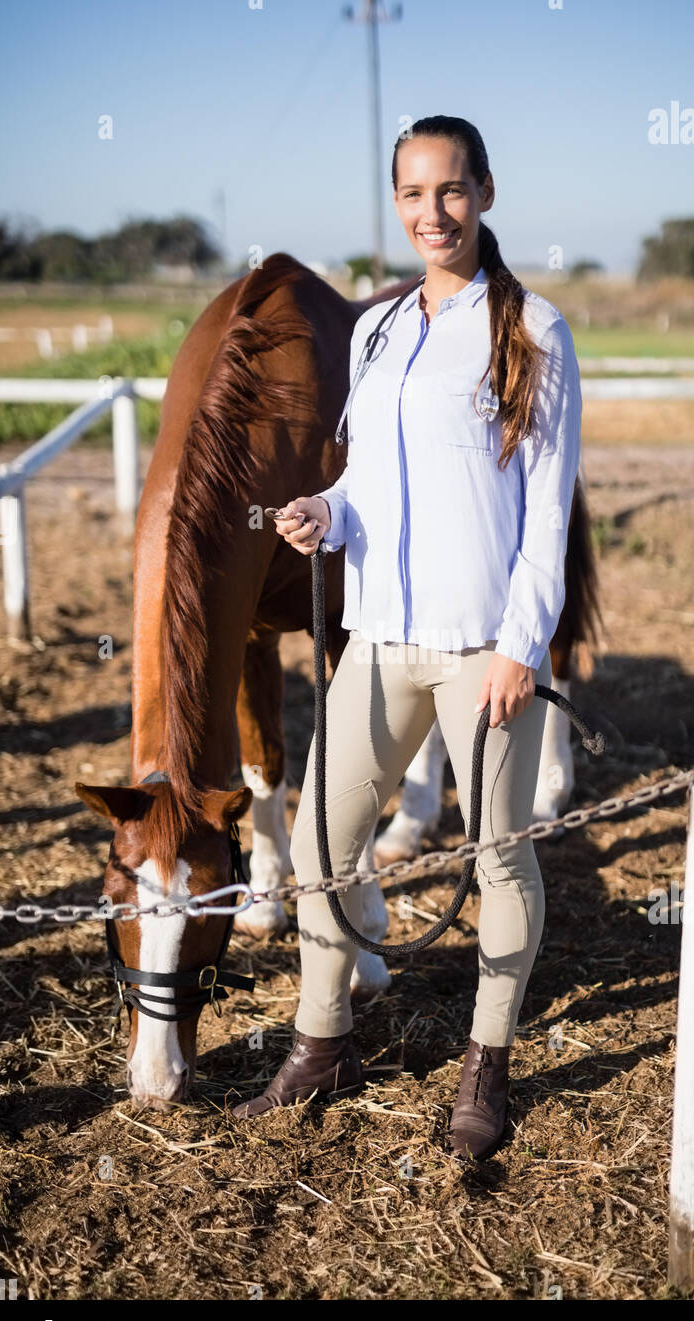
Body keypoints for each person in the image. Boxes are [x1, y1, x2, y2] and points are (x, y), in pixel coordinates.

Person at [232, 115, 583, 1162]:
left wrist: (522, 645)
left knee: (498, 857)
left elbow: (549, 511)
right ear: (395, 204)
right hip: (378, 636)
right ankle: (324, 1037)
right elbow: (364, 483)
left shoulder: (532, 330)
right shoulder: (379, 331)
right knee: (318, 844)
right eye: (412, 193)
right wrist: (325, 515)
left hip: (485, 647)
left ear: (483, 191)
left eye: (450, 189)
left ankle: (486, 1061)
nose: (432, 212)